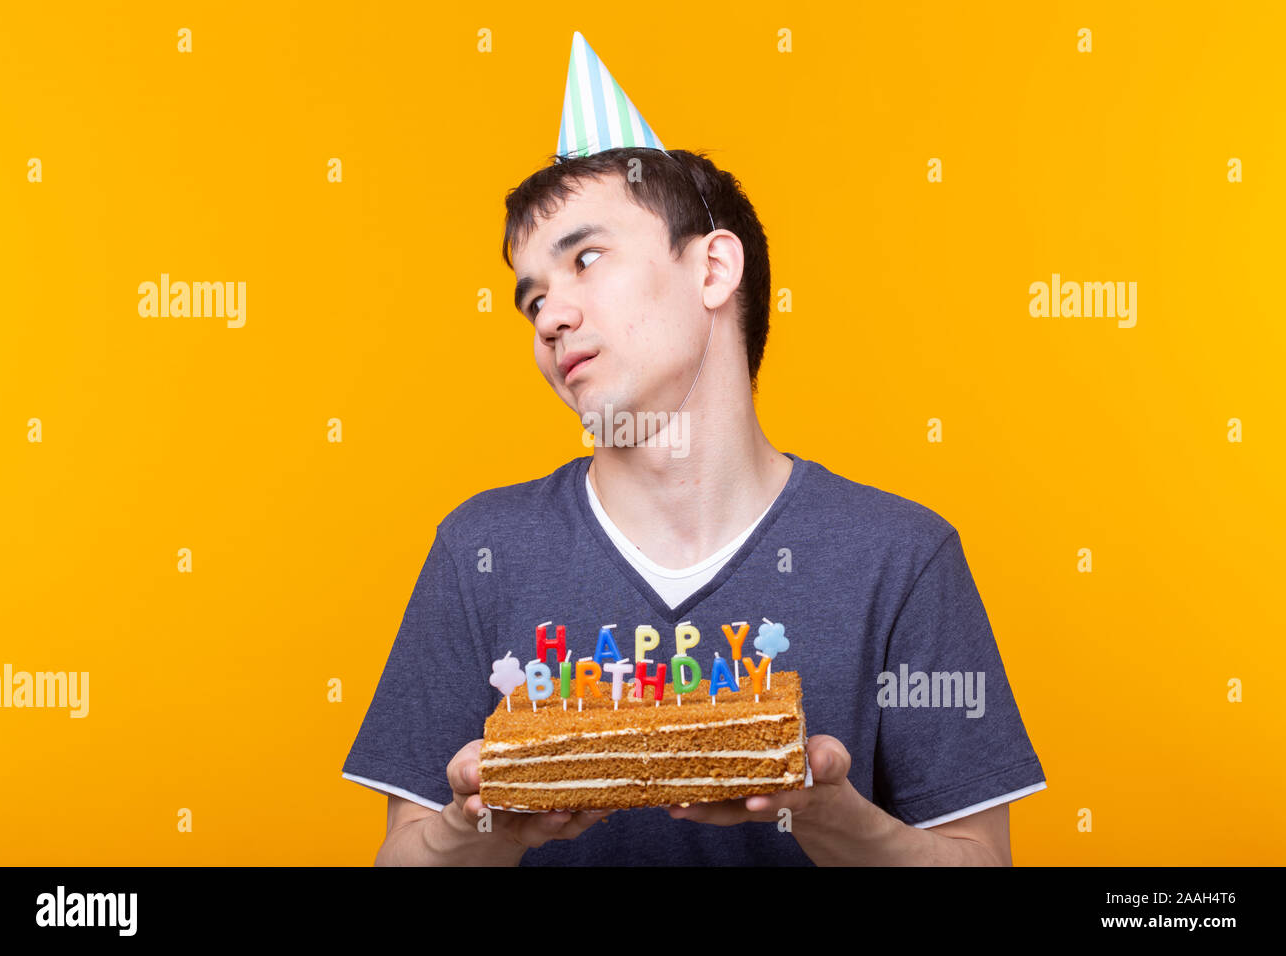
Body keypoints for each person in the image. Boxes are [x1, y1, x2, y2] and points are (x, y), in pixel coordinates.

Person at [341, 34, 1046, 866]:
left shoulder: (901, 557)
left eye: (586, 259)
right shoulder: (481, 549)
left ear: (713, 270)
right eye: (530, 296)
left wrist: (833, 820)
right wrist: (473, 828)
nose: (548, 316)